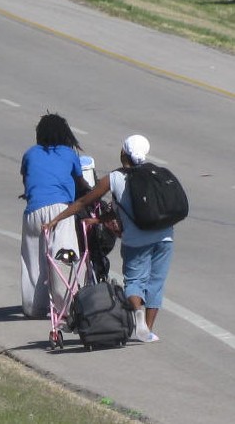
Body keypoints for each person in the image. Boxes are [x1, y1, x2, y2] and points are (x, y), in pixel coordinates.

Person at [43, 135, 174, 343]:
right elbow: (133, 209)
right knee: (156, 282)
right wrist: (101, 220)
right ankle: (147, 330)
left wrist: (56, 220)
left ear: (123, 153)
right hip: (165, 236)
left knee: (134, 281)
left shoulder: (114, 178)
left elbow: (84, 201)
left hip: (136, 240)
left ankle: (138, 317)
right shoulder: (155, 173)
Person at [20, 113, 91, 319]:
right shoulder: (69, 154)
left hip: (34, 211)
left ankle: (34, 307)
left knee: (34, 260)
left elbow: (27, 182)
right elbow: (80, 182)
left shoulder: (30, 154)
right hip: (61, 210)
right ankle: (68, 306)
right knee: (64, 257)